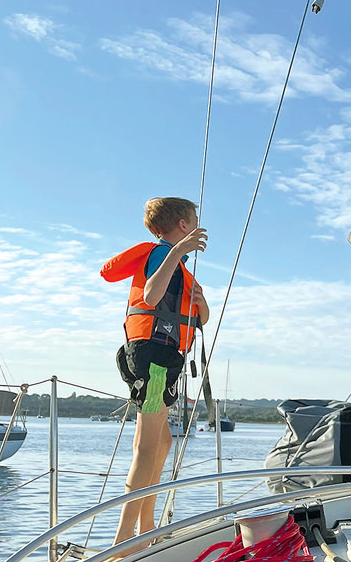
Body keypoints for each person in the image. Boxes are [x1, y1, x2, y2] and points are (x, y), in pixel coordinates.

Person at [100, 197, 209, 548]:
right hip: (154, 359)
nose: (197, 225)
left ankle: (147, 528)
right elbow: (150, 296)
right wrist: (178, 251)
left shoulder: (175, 262)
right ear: (181, 225)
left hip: (163, 358)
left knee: (161, 442)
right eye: (194, 219)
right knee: (148, 448)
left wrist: (201, 299)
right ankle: (123, 542)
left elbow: (200, 319)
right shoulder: (164, 255)